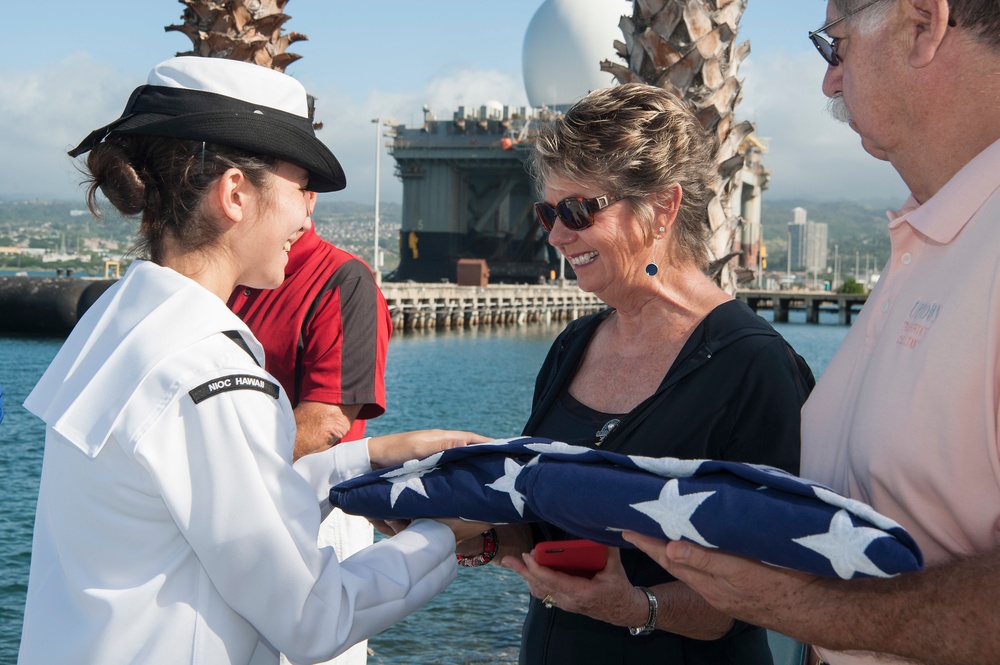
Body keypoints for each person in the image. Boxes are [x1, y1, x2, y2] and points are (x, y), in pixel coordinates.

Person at [16, 56, 489, 665]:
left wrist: (365, 459)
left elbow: (202, 493)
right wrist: (447, 534)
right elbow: (315, 616)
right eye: (300, 186)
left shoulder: (117, 324)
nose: (306, 213)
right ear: (235, 192)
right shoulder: (207, 370)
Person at [624, 1, 1000, 664]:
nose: (828, 82)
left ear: (923, 24)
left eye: (837, 46)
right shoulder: (929, 237)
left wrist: (801, 605)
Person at [493, 83, 816, 664]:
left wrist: (637, 607)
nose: (556, 234)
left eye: (578, 210)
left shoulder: (754, 367)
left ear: (662, 208)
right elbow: (540, 524)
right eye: (548, 211)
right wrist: (471, 529)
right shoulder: (574, 345)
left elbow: (769, 589)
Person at [229, 198, 393, 665]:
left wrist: (225, 472)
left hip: (321, 509)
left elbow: (327, 423)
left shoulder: (346, 280)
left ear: (307, 200)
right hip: (240, 504)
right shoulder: (235, 276)